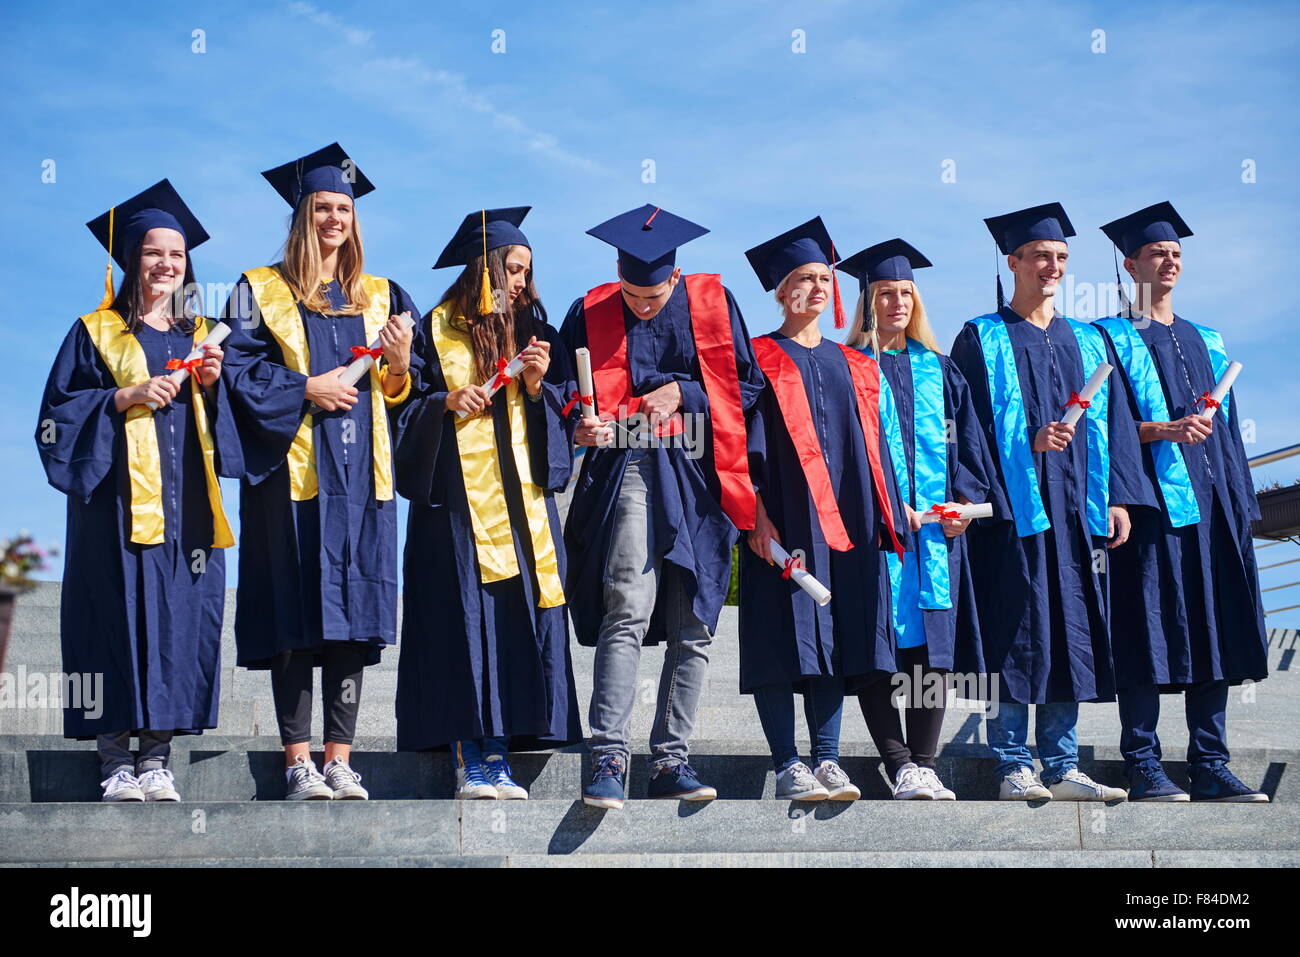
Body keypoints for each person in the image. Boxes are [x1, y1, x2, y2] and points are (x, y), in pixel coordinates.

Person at [220, 143, 419, 801]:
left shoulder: (383, 296)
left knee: (352, 617)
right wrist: (307, 386)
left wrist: (396, 365)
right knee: (295, 614)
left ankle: (340, 757)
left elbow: (408, 393)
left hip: (364, 483)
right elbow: (237, 371)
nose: (334, 218)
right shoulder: (259, 290)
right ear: (303, 214)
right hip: (292, 482)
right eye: (323, 207)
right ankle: (297, 757)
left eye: (344, 208)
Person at [949, 202, 1155, 802]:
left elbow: (1115, 427)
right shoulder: (981, 337)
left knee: (1072, 632)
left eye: (1061, 257)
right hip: (1015, 512)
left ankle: (1063, 764)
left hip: (1077, 516)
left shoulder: (1089, 341)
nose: (1052, 265)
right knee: (1017, 628)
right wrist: (1026, 442)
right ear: (1013, 261)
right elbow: (962, 427)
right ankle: (1013, 762)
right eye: (1040, 255)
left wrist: (1119, 498)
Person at [36, 179, 234, 802]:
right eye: (153, 253)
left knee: (178, 622)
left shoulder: (202, 337)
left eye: (175, 256)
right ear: (131, 260)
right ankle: (115, 759)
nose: (165, 265)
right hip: (115, 510)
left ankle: (157, 757)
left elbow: (239, 424)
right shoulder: (95, 332)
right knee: (111, 620)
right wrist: (124, 396)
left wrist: (215, 382)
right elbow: (55, 418)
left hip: (186, 515)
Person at [561, 205, 764, 809]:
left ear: (675, 279)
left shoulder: (713, 303)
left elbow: (746, 386)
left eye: (653, 295)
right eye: (632, 294)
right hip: (627, 464)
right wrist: (580, 421)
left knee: (695, 619)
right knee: (628, 599)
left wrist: (686, 391)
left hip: (701, 471)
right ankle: (608, 756)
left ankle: (671, 759)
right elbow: (564, 394)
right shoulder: (590, 308)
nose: (643, 305)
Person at [392, 207, 581, 799]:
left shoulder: (534, 335)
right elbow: (401, 413)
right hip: (454, 512)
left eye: (527, 271)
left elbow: (560, 428)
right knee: (462, 627)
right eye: (513, 269)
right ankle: (469, 755)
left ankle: (499, 753)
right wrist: (444, 404)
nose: (521, 282)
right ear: (484, 267)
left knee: (510, 622)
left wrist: (534, 388)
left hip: (523, 516)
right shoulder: (434, 329)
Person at [1095, 202, 1269, 802]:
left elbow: (1227, 429)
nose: (1169, 261)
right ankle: (1142, 761)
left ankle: (1210, 761)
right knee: (1145, 630)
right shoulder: (1106, 338)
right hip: (1151, 509)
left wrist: (1242, 506)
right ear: (1130, 263)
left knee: (1215, 629)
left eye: (1175, 254)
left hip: (1213, 508)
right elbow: (1104, 425)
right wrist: (1160, 430)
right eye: (1156, 253)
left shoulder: (1208, 338)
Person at [740, 219, 907, 801]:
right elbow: (738, 444)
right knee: (779, 633)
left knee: (838, 631)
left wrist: (890, 514)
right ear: (781, 291)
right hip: (783, 518)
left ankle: (828, 759)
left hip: (851, 520)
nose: (816, 289)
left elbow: (875, 449)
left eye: (823, 279)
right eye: (804, 280)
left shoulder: (856, 362)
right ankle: (787, 763)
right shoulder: (758, 357)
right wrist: (756, 517)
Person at [840, 238, 1003, 800]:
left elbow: (970, 454)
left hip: (935, 539)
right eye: (885, 294)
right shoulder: (849, 368)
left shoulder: (941, 370)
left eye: (906, 293)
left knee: (929, 649)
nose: (897, 303)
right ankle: (897, 761)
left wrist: (963, 505)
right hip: (872, 539)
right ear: (866, 303)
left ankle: (925, 764)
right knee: (879, 646)